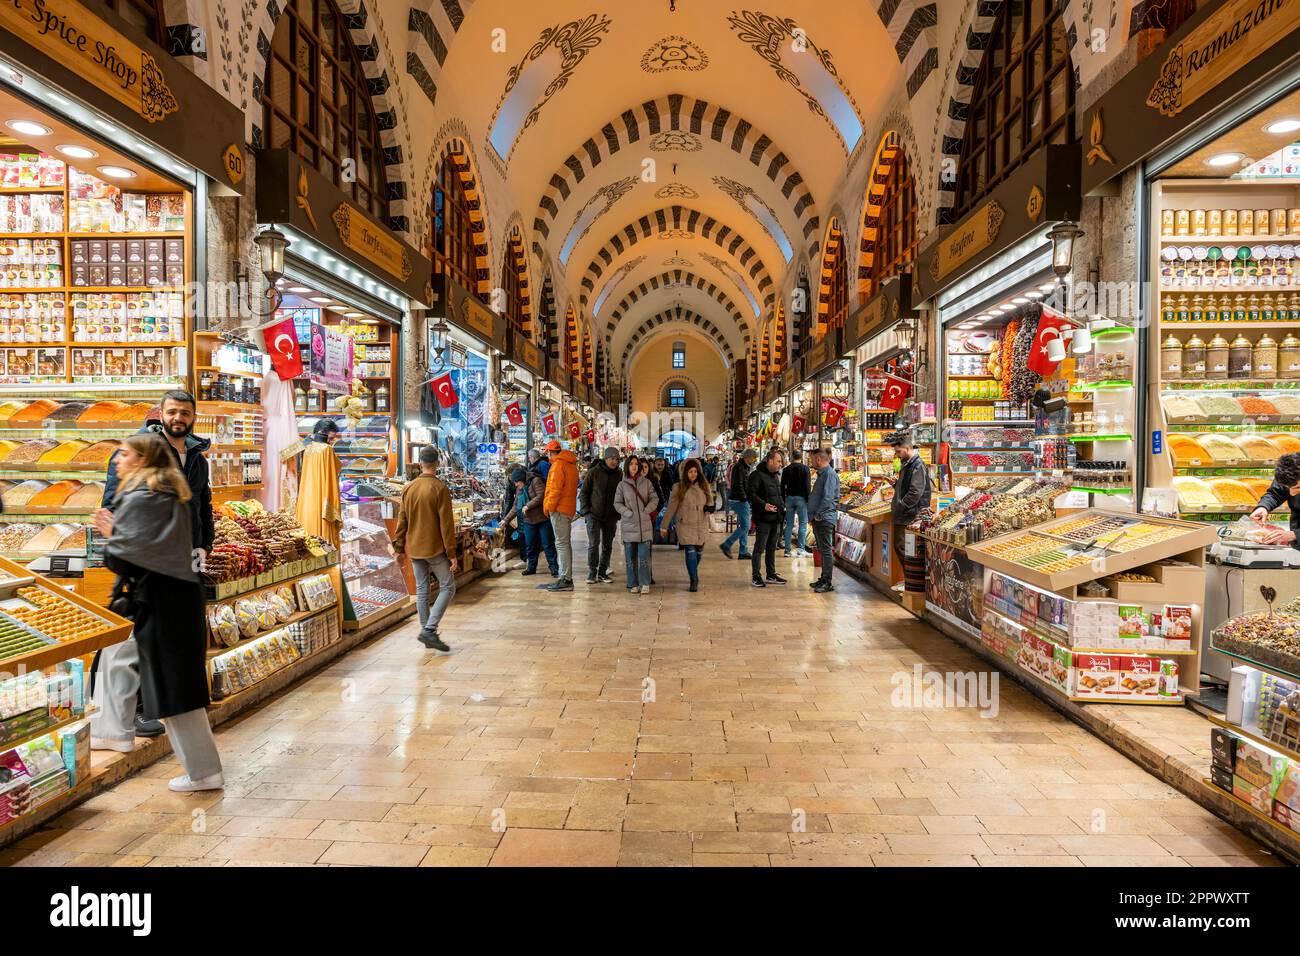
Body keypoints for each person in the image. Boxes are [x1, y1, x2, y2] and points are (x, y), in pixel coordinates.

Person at [90, 433, 223, 792]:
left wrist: (110, 531)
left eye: (125, 455)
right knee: (130, 664)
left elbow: (122, 555)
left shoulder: (141, 498)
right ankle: (114, 731)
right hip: (173, 599)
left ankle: (204, 773)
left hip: (161, 602)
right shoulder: (169, 493)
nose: (118, 461)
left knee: (174, 690)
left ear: (142, 460)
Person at [99, 389, 213, 740]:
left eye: (185, 413)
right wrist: (119, 537)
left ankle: (131, 718)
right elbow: (113, 504)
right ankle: (132, 715)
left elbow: (201, 504)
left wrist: (205, 543)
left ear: (193, 417)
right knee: (132, 649)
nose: (179, 418)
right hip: (149, 566)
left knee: (145, 650)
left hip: (178, 560)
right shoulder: (142, 452)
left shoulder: (196, 456)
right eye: (173, 412)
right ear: (161, 413)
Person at [392, 445, 459, 651]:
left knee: (422, 589)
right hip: (434, 548)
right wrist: (452, 553)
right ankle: (429, 630)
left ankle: (425, 630)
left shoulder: (408, 488)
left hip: (414, 547)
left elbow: (401, 521)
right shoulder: (440, 489)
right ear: (437, 464)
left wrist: (399, 548)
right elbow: (446, 525)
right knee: (448, 586)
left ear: (420, 463)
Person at [661, 457, 712, 592]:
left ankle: (693, 572)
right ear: (684, 473)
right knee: (690, 552)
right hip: (685, 525)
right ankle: (693, 580)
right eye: (690, 472)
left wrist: (709, 507)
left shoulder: (704, 485)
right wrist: (664, 525)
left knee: (698, 553)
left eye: (695, 471)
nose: (693, 474)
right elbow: (671, 507)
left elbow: (710, 501)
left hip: (701, 523)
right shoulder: (678, 487)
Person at [296, 417, 344, 547]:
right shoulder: (326, 450)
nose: (331, 442)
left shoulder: (307, 446)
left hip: (306, 499)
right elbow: (336, 469)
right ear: (322, 432)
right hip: (322, 498)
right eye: (330, 438)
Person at [614, 455, 658, 594]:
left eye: (636, 464)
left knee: (644, 557)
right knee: (630, 558)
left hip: (644, 526)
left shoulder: (646, 483)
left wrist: (646, 511)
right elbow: (617, 503)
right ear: (627, 466)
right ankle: (632, 583)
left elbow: (654, 498)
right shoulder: (622, 485)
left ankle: (645, 582)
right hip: (629, 525)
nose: (634, 466)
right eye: (631, 464)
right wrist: (627, 513)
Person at [887, 430, 931, 570]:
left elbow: (915, 492)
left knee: (903, 547)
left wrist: (901, 506)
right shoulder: (908, 464)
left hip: (910, 514)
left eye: (899, 451)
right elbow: (908, 488)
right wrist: (895, 484)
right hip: (905, 513)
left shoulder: (917, 465)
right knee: (903, 547)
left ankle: (911, 581)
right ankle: (909, 581)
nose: (897, 454)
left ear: (907, 449)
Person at [541, 438, 580, 592]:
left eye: (548, 453)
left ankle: (565, 578)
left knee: (561, 544)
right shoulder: (571, 464)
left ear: (551, 452)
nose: (548, 457)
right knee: (564, 543)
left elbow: (555, 490)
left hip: (559, 510)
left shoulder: (558, 465)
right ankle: (566, 577)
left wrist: (548, 507)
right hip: (567, 508)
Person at [580, 447, 622, 584]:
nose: (615, 462)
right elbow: (584, 492)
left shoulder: (619, 474)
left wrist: (619, 512)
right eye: (612, 459)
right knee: (594, 543)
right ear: (606, 458)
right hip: (594, 514)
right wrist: (586, 511)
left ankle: (603, 572)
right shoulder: (594, 472)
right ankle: (592, 571)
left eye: (617, 459)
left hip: (611, 515)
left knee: (608, 545)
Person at [747, 448, 787, 587]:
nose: (780, 464)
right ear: (769, 460)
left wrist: (782, 509)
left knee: (771, 548)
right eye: (778, 461)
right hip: (763, 519)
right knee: (760, 548)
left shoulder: (775, 476)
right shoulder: (756, 475)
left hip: (776, 519)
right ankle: (756, 576)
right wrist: (763, 505)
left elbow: (779, 495)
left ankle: (771, 574)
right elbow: (751, 495)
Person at [807, 447, 842, 593]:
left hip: (824, 518)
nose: (811, 461)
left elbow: (827, 498)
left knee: (826, 550)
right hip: (820, 517)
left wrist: (818, 514)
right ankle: (823, 578)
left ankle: (827, 581)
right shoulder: (823, 474)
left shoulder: (829, 475)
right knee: (822, 549)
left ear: (819, 459)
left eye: (812, 459)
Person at [519, 453, 558, 576]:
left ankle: (554, 568)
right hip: (529, 520)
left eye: (517, 482)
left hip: (542, 518)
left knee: (548, 544)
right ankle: (531, 567)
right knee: (530, 545)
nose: (516, 485)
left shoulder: (535, 480)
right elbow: (516, 505)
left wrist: (528, 505)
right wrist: (505, 520)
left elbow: (542, 496)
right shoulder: (520, 487)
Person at [1250, 452, 1300, 545]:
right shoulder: (1289, 474)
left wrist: (1295, 535)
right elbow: (1275, 493)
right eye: (1287, 488)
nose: (1292, 494)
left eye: (1297, 487)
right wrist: (1264, 507)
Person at [720, 448, 758, 559]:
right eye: (754, 458)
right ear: (748, 457)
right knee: (746, 526)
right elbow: (738, 484)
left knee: (744, 525)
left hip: (739, 499)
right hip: (739, 500)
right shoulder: (740, 468)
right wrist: (745, 498)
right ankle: (727, 544)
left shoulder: (743, 467)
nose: (754, 460)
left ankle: (743, 551)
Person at [781, 448, 812, 556]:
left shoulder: (786, 469)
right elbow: (807, 486)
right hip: (801, 499)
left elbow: (782, 486)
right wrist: (808, 500)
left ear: (792, 457)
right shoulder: (805, 469)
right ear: (801, 457)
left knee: (789, 524)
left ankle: (787, 550)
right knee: (803, 524)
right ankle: (800, 549)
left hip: (789, 498)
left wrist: (783, 499)